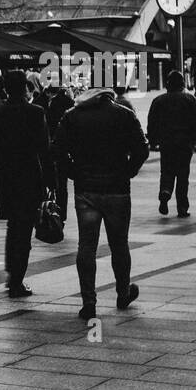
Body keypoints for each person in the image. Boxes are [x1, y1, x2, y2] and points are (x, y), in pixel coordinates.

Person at [54, 84, 150, 320]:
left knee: (86, 247)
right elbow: (142, 148)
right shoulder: (124, 114)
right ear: (109, 95)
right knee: (119, 244)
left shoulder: (72, 116)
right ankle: (123, 292)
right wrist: (129, 170)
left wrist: (74, 173)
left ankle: (89, 302)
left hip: (86, 190)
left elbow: (56, 150)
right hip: (117, 189)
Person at [0, 70, 54, 297]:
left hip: (6, 177)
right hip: (31, 176)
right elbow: (45, 149)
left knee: (14, 226)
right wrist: (52, 182)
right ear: (25, 88)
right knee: (25, 229)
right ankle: (16, 280)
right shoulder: (36, 112)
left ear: (4, 89)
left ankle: (12, 273)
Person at [147, 69, 196, 218]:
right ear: (182, 84)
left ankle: (165, 192)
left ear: (167, 85)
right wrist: (195, 138)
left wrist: (153, 141)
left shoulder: (158, 100)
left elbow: (151, 123)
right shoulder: (190, 99)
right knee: (183, 175)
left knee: (166, 170)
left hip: (166, 142)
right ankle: (182, 207)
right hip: (185, 143)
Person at [42, 80, 75, 222]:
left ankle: (48, 211)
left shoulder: (44, 102)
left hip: (50, 149)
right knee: (62, 185)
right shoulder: (69, 102)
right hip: (63, 149)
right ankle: (61, 214)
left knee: (50, 183)